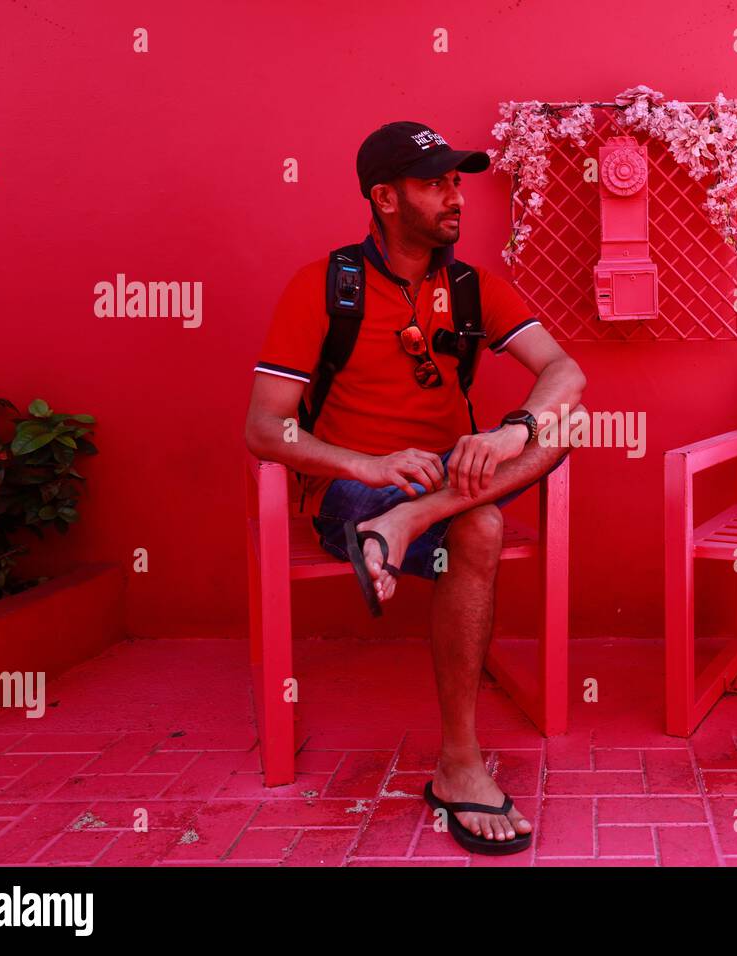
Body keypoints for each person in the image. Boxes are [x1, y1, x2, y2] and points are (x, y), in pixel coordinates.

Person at [244, 121, 586, 854]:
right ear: (385, 197)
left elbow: (566, 372)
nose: (454, 196)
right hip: (353, 494)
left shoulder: (470, 287)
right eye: (436, 183)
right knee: (482, 527)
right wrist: (365, 466)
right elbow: (266, 430)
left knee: (564, 424)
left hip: (449, 476)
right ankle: (460, 765)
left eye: (456, 182)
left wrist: (510, 430)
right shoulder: (323, 287)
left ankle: (411, 525)